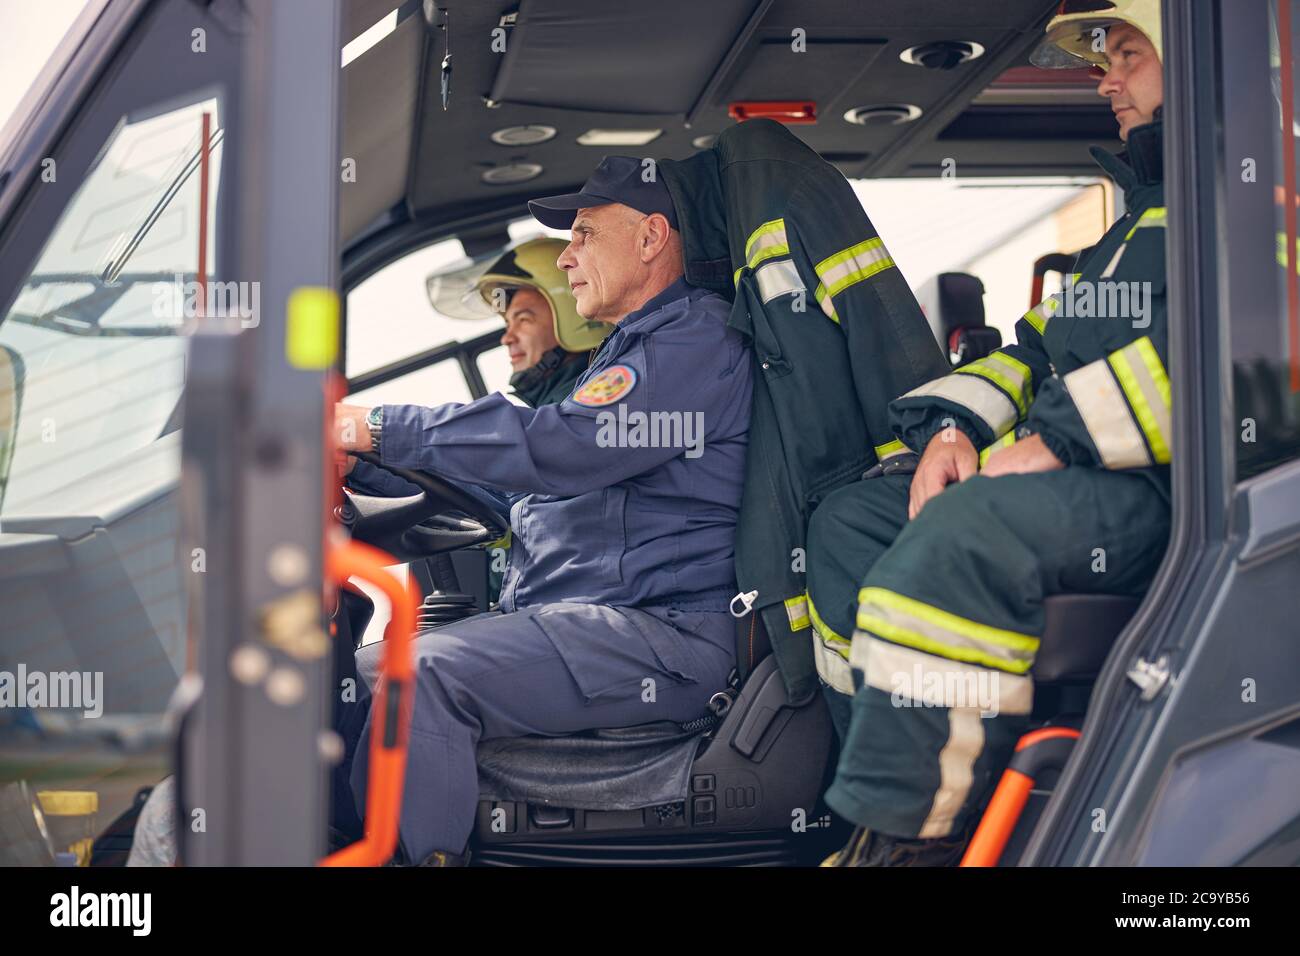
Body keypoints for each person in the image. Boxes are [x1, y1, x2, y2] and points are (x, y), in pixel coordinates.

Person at [808, 0, 1170, 866]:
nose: (1105, 78)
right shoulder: (1134, 222)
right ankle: (889, 788)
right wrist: (951, 431)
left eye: (1128, 55)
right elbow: (1035, 352)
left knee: (963, 535)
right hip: (1082, 481)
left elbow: (1248, 367)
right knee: (850, 523)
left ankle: (913, 842)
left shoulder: (1257, 204)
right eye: (1105, 60)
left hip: (1172, 493)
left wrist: (1058, 440)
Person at [330, 156, 753, 865]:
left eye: (585, 233)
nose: (567, 255)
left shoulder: (693, 340)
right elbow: (538, 490)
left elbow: (568, 449)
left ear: (651, 239)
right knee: (351, 677)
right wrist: (375, 465)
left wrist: (377, 425)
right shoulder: (627, 353)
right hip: (594, 623)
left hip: (665, 636)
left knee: (427, 676)